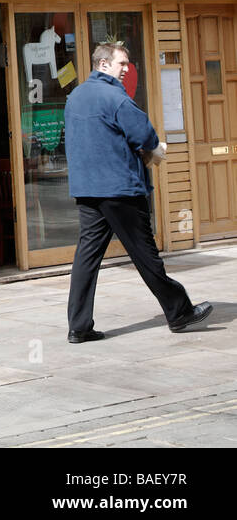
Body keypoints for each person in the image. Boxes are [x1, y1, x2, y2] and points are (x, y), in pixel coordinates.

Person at [64, 42, 212, 342]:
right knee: (146, 256)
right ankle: (179, 312)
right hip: (120, 190)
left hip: (87, 190)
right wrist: (152, 149)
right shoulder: (115, 97)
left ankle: (79, 327)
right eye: (122, 64)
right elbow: (144, 134)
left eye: (127, 64)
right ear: (103, 64)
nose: (126, 70)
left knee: (86, 258)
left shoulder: (75, 97)